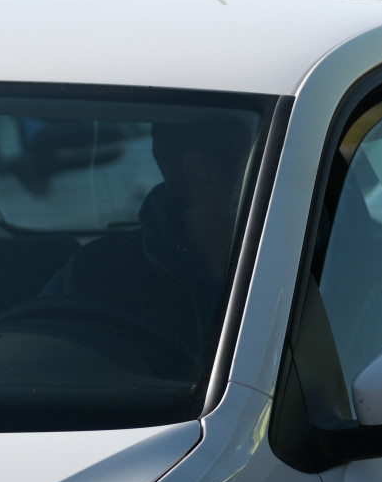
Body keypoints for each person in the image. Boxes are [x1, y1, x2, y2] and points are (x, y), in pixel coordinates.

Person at [43, 117, 254, 355]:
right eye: (259, 157)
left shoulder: (293, 265)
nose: (290, 178)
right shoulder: (89, 277)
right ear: (202, 172)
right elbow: (31, 357)